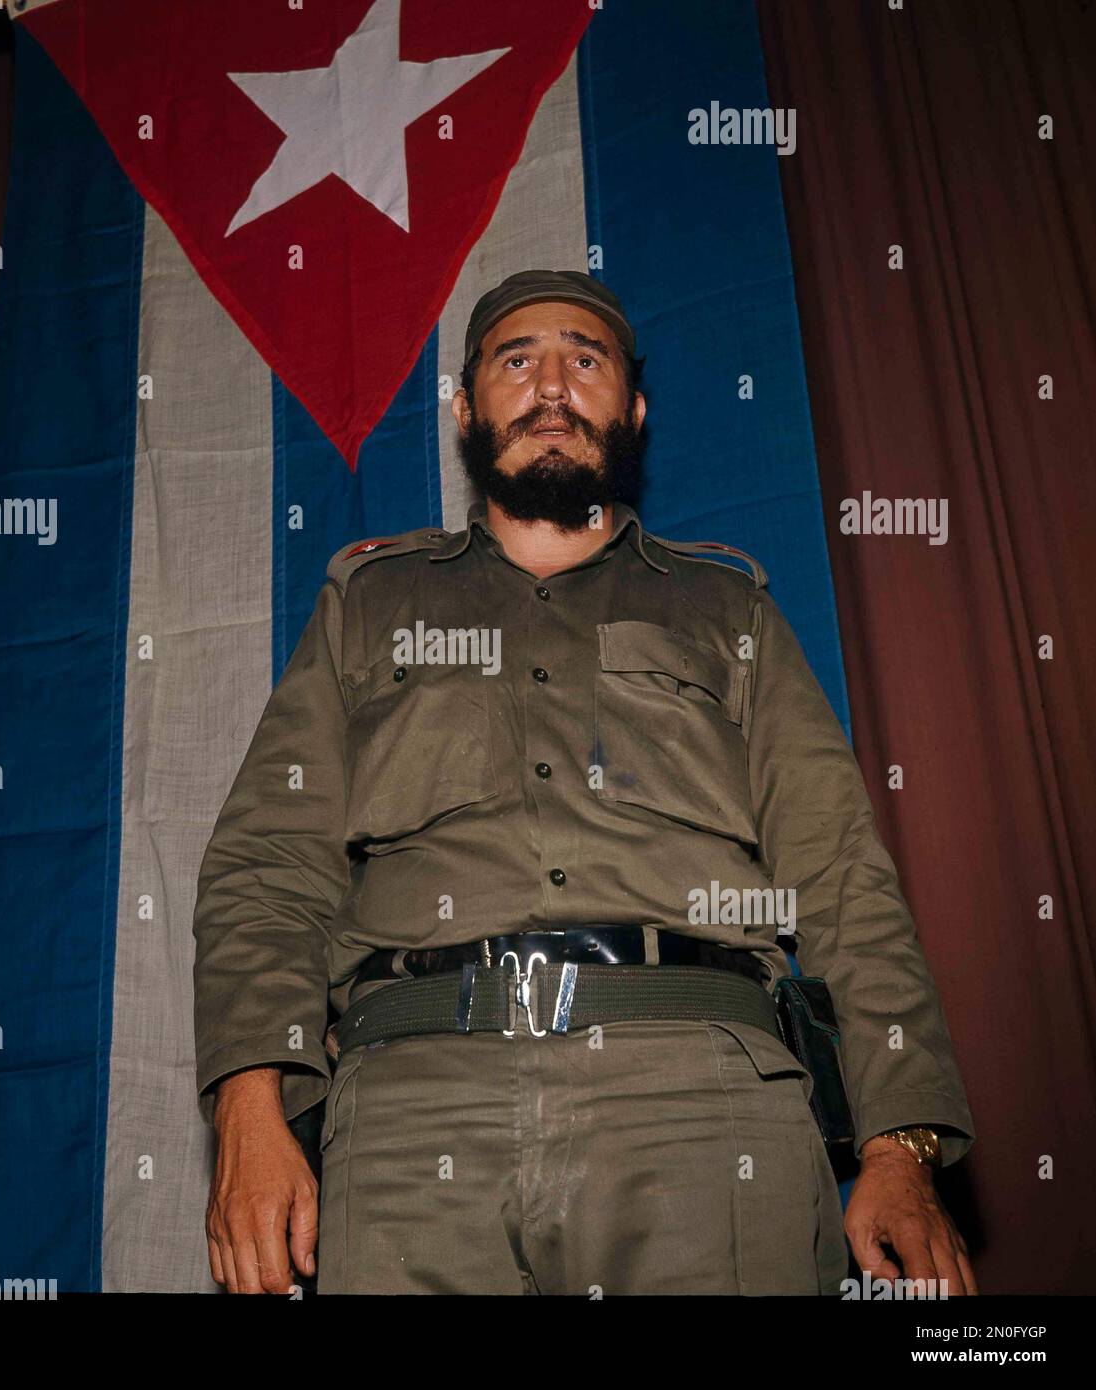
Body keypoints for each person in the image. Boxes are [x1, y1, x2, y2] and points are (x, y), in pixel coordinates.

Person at [193, 269, 977, 1295]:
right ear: (467, 409)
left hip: (700, 1110)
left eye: (585, 359)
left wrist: (896, 1149)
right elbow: (266, 866)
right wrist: (249, 1111)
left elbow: (837, 875)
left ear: (633, 409)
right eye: (516, 361)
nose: (552, 385)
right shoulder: (367, 603)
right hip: (410, 1120)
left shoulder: (725, 610)